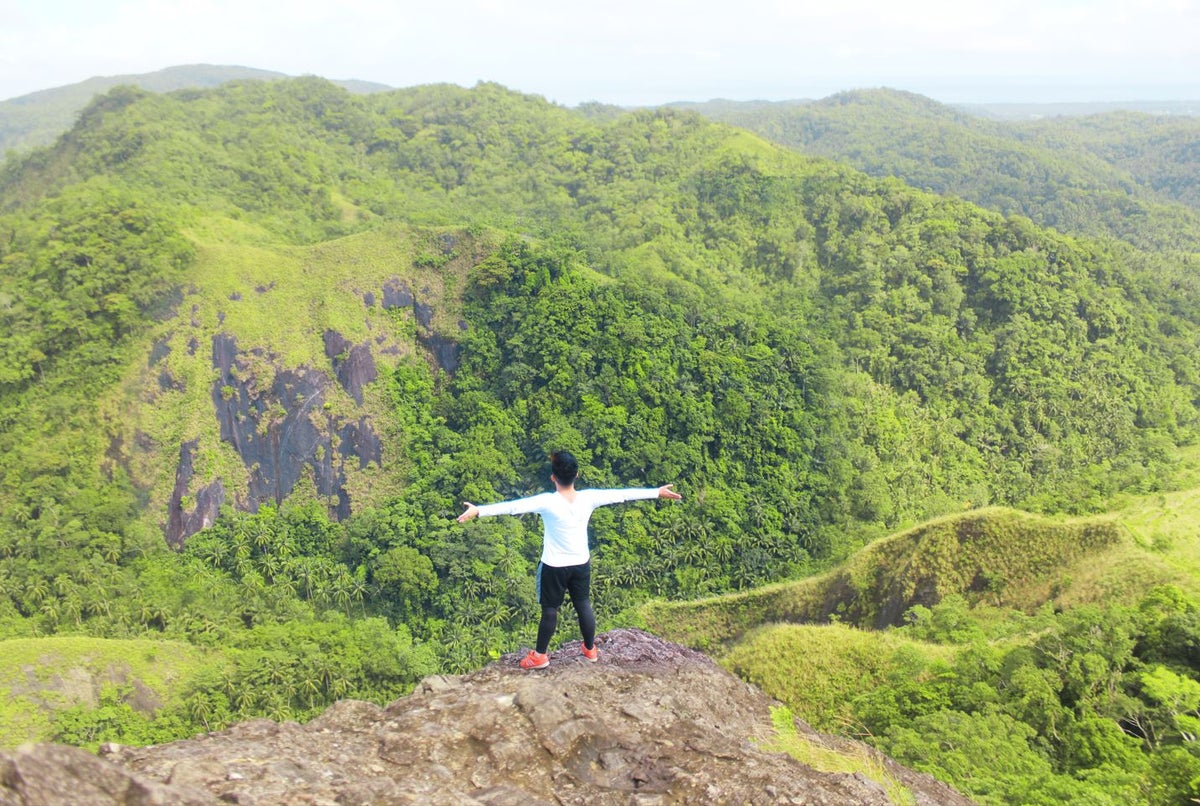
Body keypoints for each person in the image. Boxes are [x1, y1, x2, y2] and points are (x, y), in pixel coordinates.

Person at [457, 451, 682, 669]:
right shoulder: (589, 498)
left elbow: (514, 507)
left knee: (550, 610)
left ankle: (540, 656)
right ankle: (590, 650)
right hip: (580, 562)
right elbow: (621, 494)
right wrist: (656, 492)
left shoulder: (547, 501)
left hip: (554, 566)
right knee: (583, 604)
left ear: (553, 477)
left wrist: (479, 511)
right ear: (577, 475)